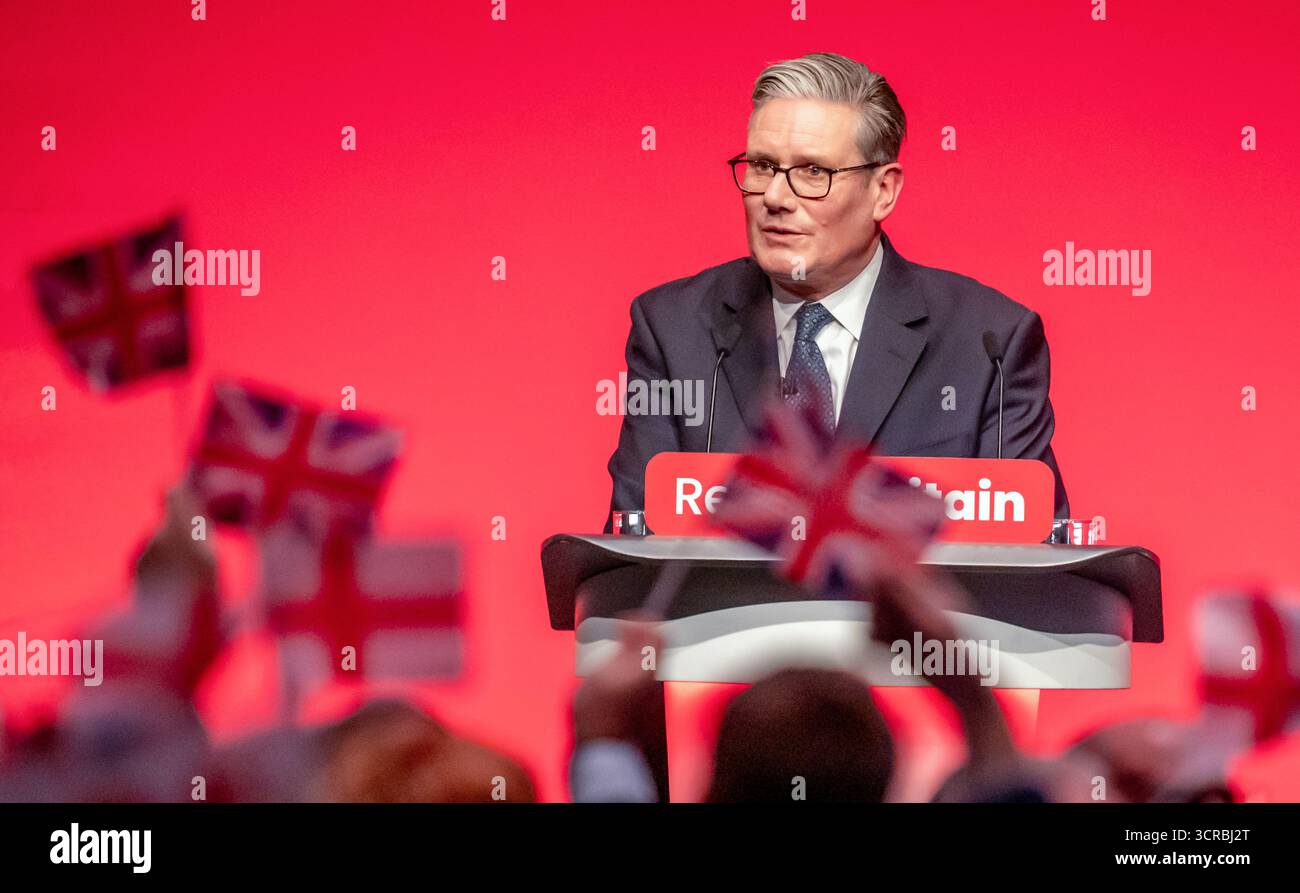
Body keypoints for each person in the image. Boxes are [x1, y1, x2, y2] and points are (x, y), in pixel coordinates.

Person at [605, 51, 1069, 528]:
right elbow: (633, 547)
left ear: (883, 191)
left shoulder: (989, 342)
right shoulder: (674, 329)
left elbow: (1033, 565)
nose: (775, 198)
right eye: (762, 166)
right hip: (726, 605)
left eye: (813, 173)